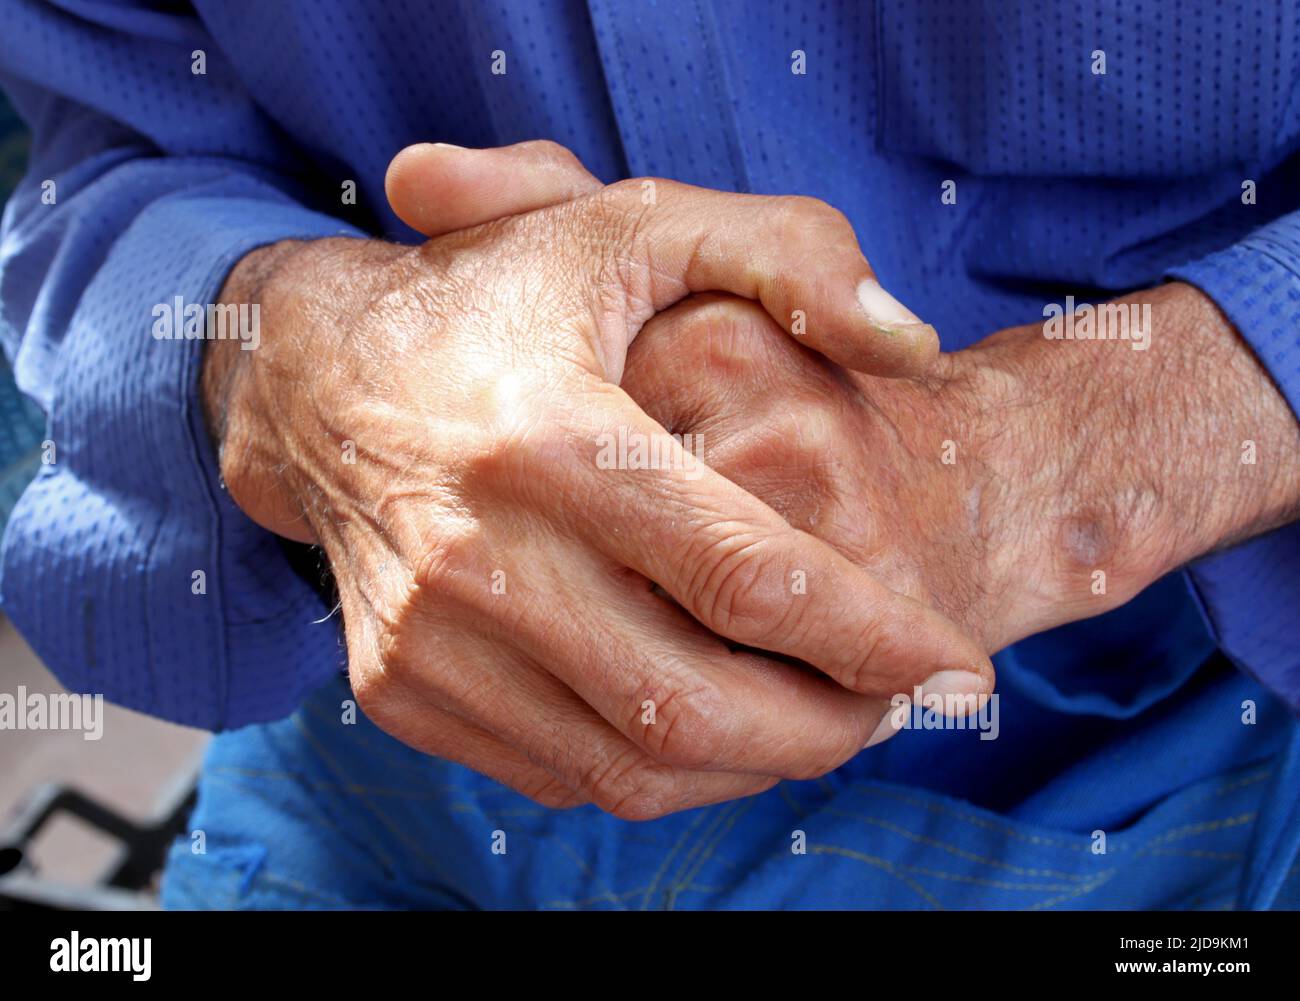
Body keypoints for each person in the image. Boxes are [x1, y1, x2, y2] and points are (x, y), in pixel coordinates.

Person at [1, 1, 1298, 909]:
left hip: (1208, 736)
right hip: (404, 723)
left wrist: (1070, 447)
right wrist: (309, 359)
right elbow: (101, 159)